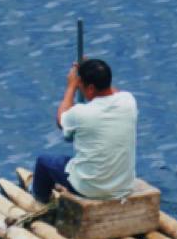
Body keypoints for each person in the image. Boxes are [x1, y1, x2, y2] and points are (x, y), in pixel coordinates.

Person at [29, 57, 140, 203]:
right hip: (123, 185)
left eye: (82, 87)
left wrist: (71, 86)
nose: (80, 89)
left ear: (91, 88)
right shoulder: (129, 101)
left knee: (43, 162)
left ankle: (39, 200)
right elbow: (112, 92)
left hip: (90, 189)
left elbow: (61, 119)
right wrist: (90, 69)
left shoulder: (81, 113)